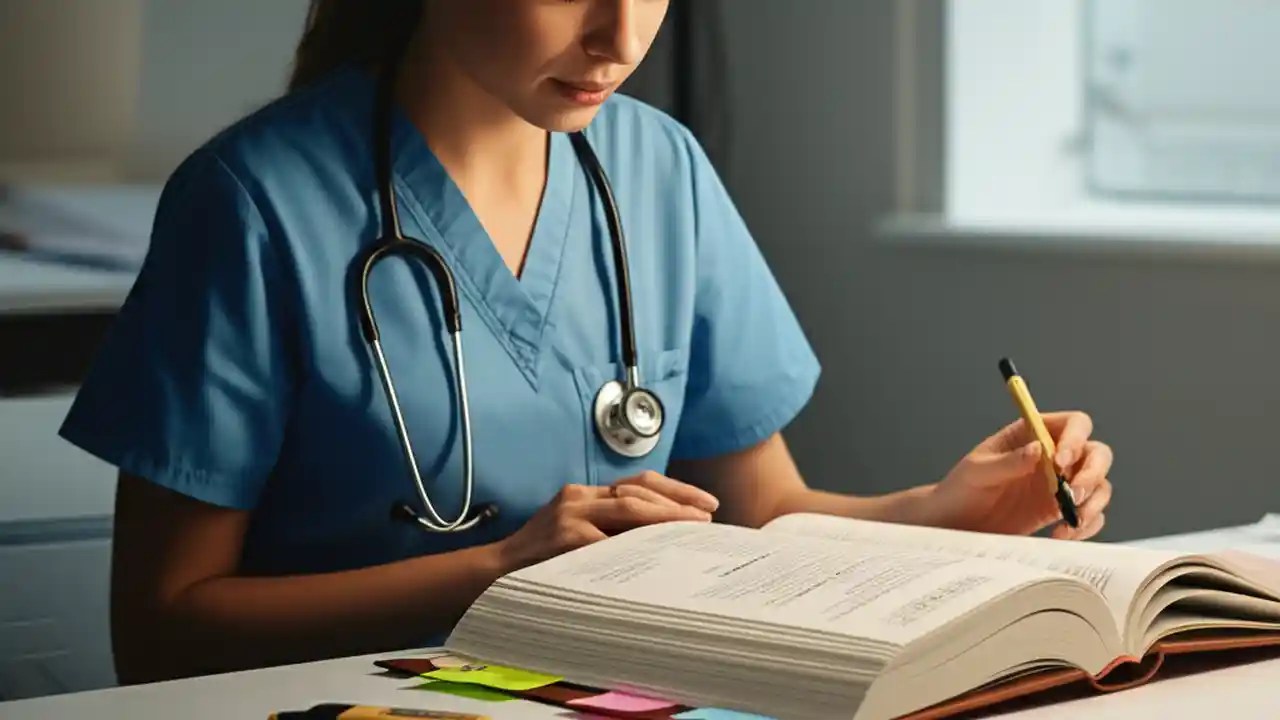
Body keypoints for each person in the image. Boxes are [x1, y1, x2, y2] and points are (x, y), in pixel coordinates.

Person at [59, 0, 1113, 686]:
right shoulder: (252, 204)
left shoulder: (661, 170)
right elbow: (163, 634)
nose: (620, 36)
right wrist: (502, 568)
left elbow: (764, 514)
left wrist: (940, 514)